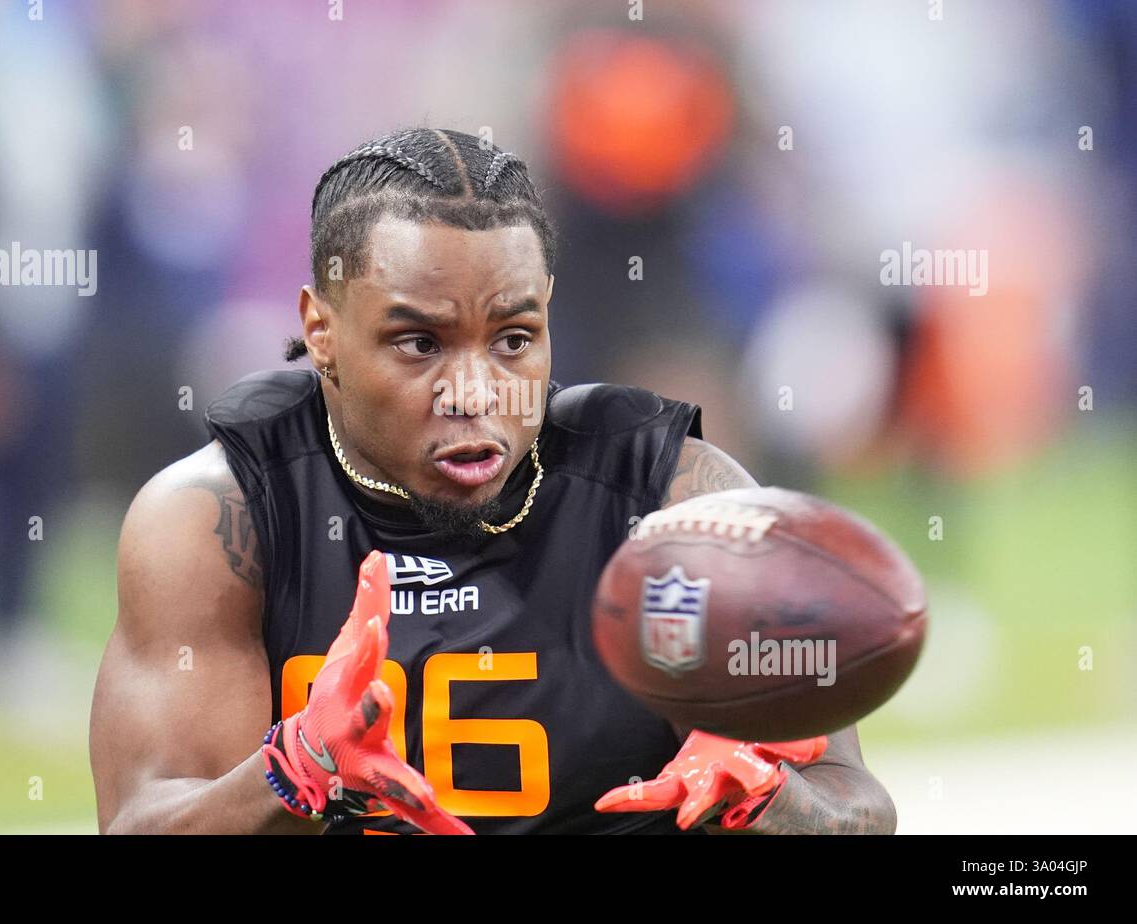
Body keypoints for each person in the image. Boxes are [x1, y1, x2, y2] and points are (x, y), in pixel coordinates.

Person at [88, 128, 896, 834]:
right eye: (418, 343)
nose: (475, 391)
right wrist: (294, 772)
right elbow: (141, 822)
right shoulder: (222, 518)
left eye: (513, 338)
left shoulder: (678, 503)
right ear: (320, 333)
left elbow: (857, 807)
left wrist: (765, 799)